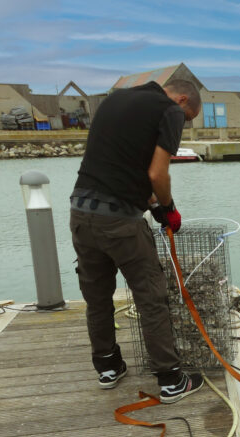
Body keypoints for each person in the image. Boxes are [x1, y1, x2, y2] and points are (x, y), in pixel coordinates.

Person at [69, 79, 203, 404]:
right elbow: (157, 174)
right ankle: (171, 380)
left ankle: (107, 367)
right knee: (151, 296)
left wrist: (154, 207)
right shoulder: (169, 110)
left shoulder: (114, 101)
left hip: (80, 212)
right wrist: (169, 208)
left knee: (97, 296)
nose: (183, 124)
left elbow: (122, 165)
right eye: (188, 118)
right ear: (182, 99)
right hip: (120, 221)